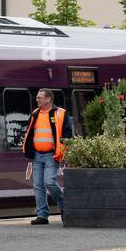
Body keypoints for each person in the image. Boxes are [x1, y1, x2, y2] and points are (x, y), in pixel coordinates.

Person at [22, 88, 72, 225]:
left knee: (49, 182)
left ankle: (65, 208)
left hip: (52, 155)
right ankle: (42, 216)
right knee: (38, 185)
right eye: (37, 97)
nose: (37, 99)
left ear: (48, 99)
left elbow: (68, 134)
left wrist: (63, 150)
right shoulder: (35, 114)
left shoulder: (61, 114)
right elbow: (30, 133)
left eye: (40, 97)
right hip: (37, 155)